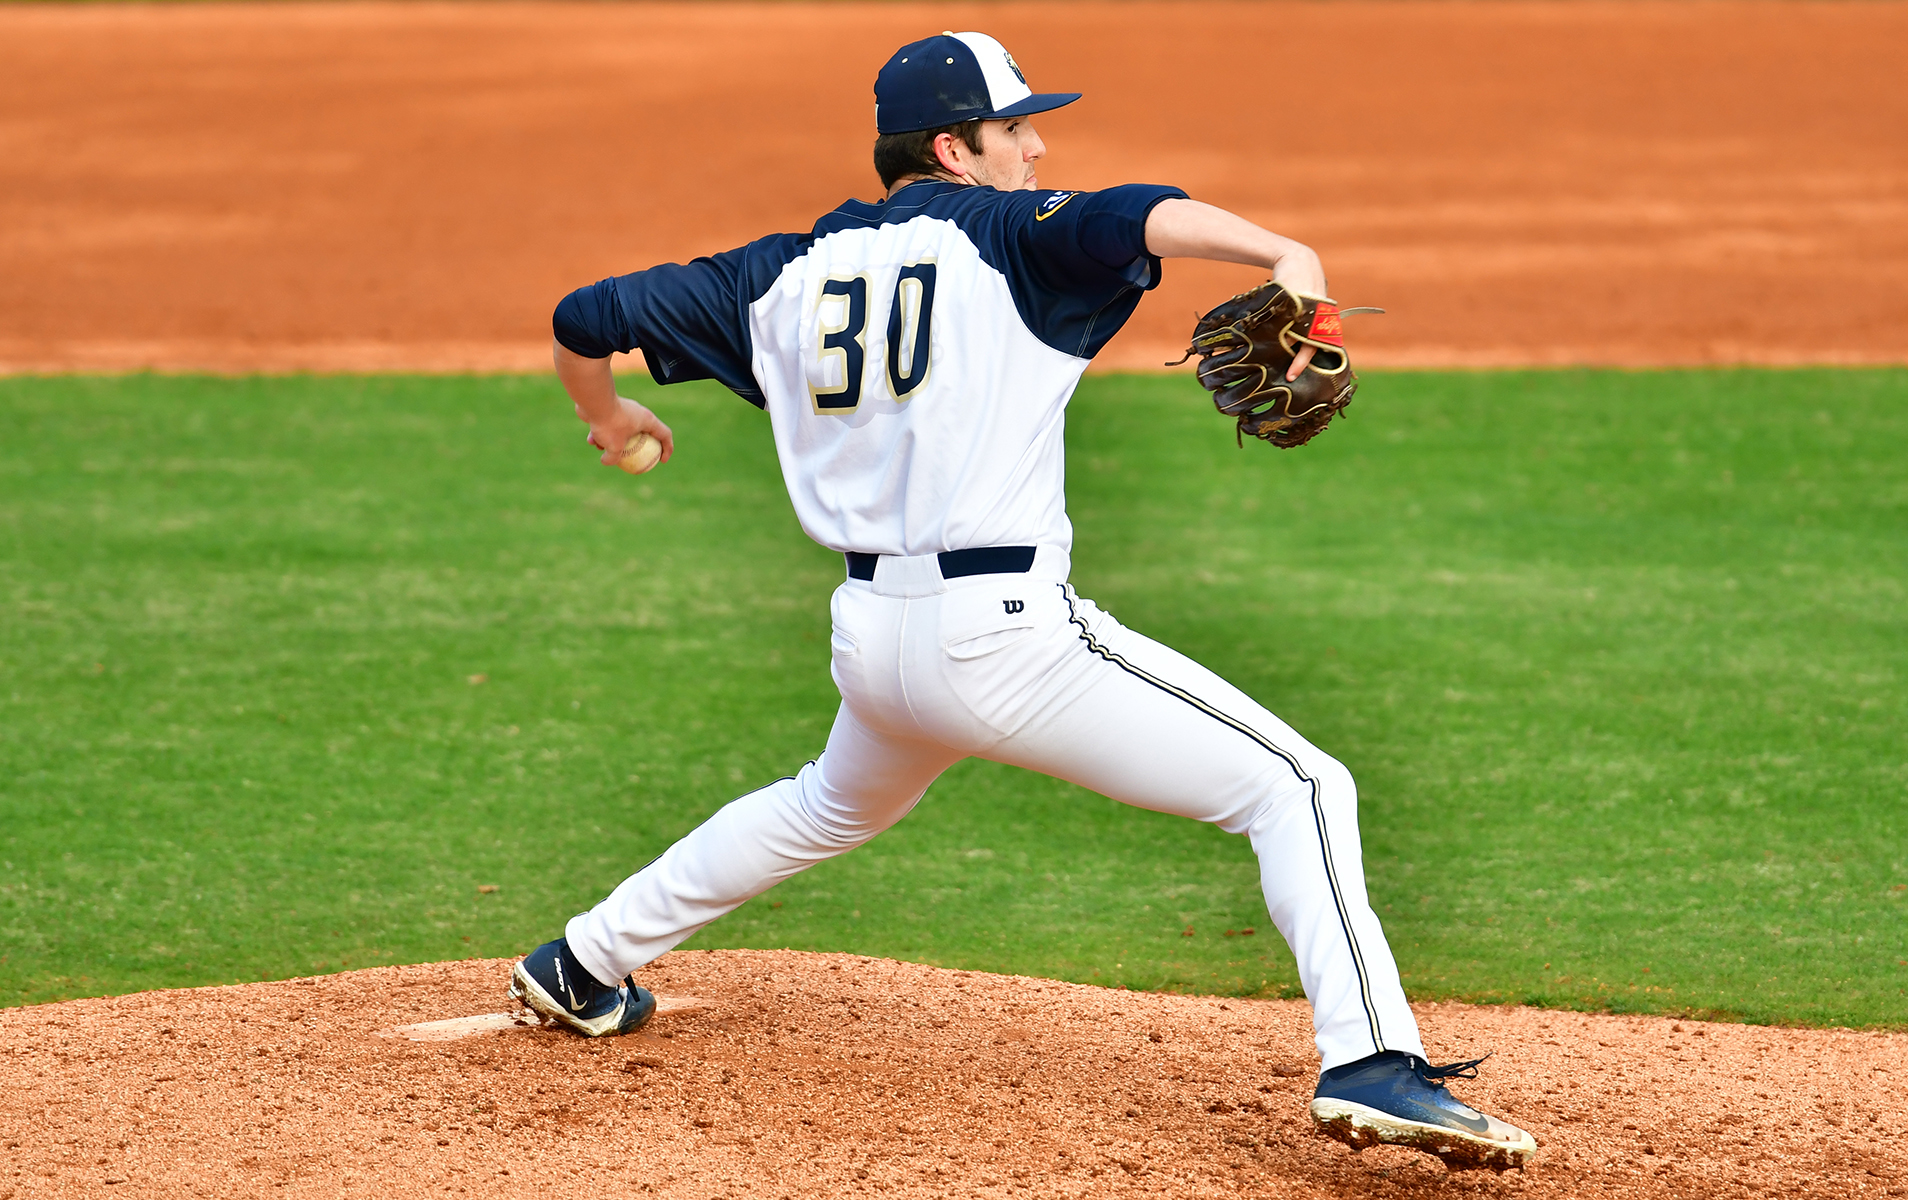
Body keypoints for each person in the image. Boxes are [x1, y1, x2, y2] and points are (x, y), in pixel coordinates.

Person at [512, 31, 1535, 1171]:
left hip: (874, 644)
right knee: (1298, 785)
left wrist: (610, 420)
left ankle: (583, 963)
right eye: (1017, 130)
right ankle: (1373, 1063)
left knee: (826, 806)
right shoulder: (1005, 232)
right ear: (956, 149)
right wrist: (1289, 253)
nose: (1039, 148)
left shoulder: (772, 275)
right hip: (1003, 643)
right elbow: (1141, 215)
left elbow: (581, 315)